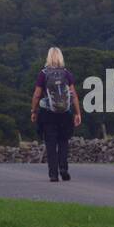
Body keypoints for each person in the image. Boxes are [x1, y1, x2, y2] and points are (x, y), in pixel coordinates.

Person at [30, 46, 82, 182]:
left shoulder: (43, 74)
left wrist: (34, 111)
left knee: (50, 143)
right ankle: (63, 168)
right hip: (65, 113)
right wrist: (77, 113)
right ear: (60, 57)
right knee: (63, 141)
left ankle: (53, 174)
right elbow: (74, 95)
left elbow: (36, 95)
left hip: (48, 114)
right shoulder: (66, 74)